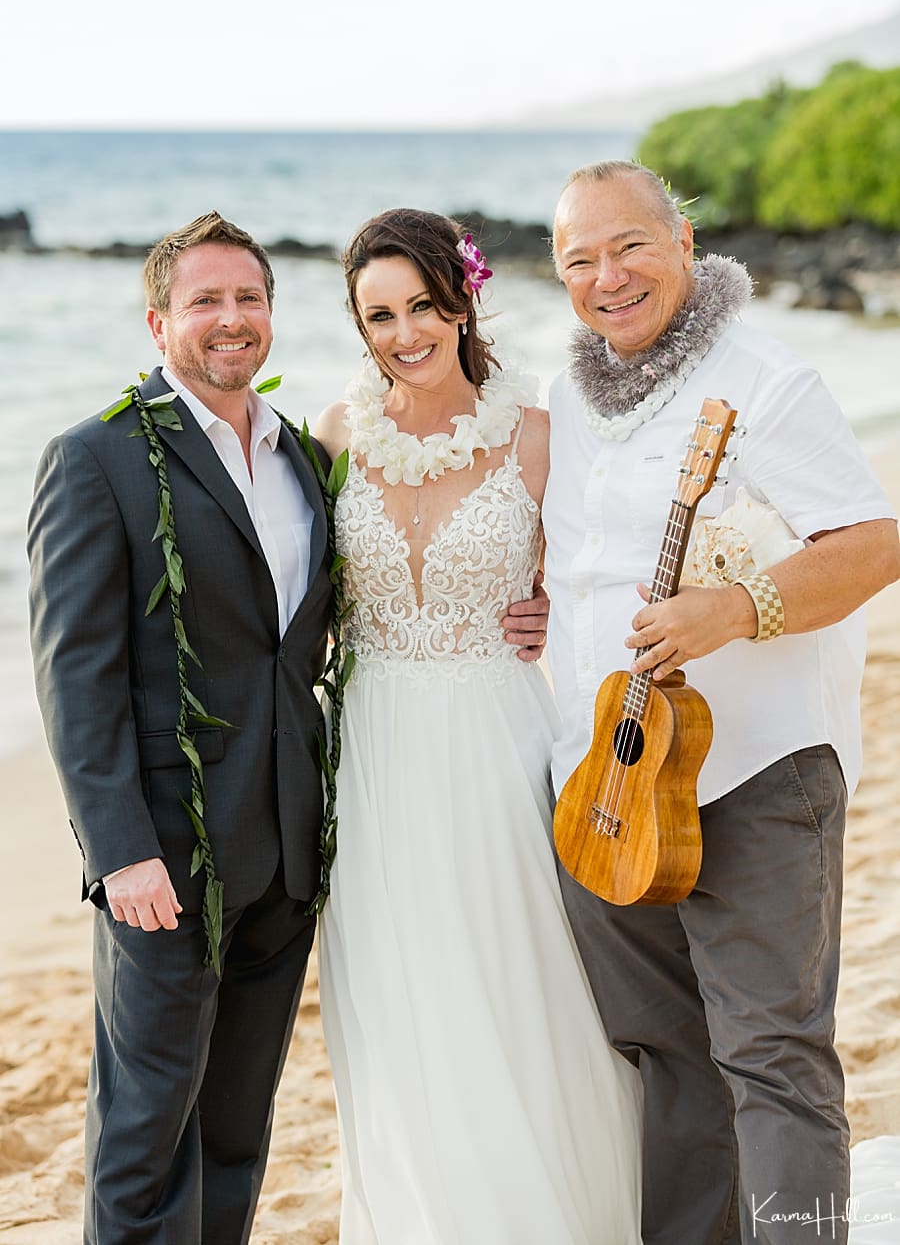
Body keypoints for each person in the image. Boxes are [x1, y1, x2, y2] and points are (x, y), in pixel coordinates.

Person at [26, 210, 551, 1245]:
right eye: (206, 301)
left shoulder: (304, 455)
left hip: (289, 850)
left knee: (236, 1130)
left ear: (272, 312)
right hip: (166, 861)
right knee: (144, 1128)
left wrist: (539, 605)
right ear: (159, 322)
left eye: (250, 297)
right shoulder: (95, 459)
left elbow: (323, 624)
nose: (232, 319)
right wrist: (119, 853)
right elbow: (73, 675)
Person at [543, 160, 900, 1245]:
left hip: (755, 773)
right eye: (580, 260)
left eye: (630, 246)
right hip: (606, 782)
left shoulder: (767, 381)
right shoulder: (566, 395)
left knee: (772, 1057)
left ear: (685, 241)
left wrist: (737, 609)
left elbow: (874, 542)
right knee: (667, 1055)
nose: (608, 277)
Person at [313, 207, 643, 1244]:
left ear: (463, 300)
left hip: (498, 740)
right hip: (372, 753)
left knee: (519, 981)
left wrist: (549, 609)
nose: (405, 333)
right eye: (380, 316)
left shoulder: (538, 435)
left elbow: (603, 580)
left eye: (422, 306)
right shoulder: (332, 437)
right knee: (401, 995)